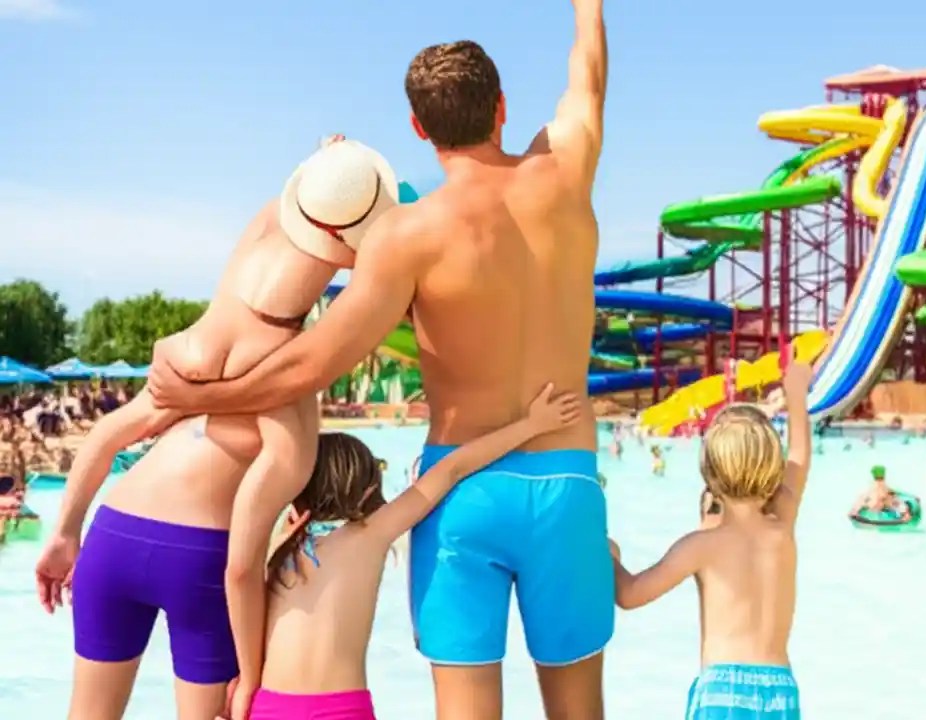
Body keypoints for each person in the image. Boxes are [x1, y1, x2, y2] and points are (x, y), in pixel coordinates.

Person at [145, 5, 612, 717]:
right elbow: (589, 73)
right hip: (568, 480)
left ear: (420, 129)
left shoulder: (407, 234)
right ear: (502, 107)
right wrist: (587, 8)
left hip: (461, 493)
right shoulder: (567, 168)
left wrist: (197, 396)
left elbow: (310, 365)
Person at [32, 141, 397, 720]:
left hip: (112, 535)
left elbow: (103, 438)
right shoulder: (291, 414)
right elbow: (240, 567)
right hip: (198, 559)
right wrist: (251, 677)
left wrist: (64, 534)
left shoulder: (183, 356)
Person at [246, 384, 580, 719]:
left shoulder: (278, 550)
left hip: (271, 706)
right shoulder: (369, 534)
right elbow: (453, 469)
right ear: (366, 491)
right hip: (339, 709)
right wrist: (532, 425)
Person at [609, 359, 812, 719]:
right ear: (773, 470)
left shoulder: (700, 546)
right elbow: (799, 455)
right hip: (781, 690)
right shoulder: (781, 529)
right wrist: (796, 394)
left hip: (723, 690)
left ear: (710, 477)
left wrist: (608, 556)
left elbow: (629, 594)